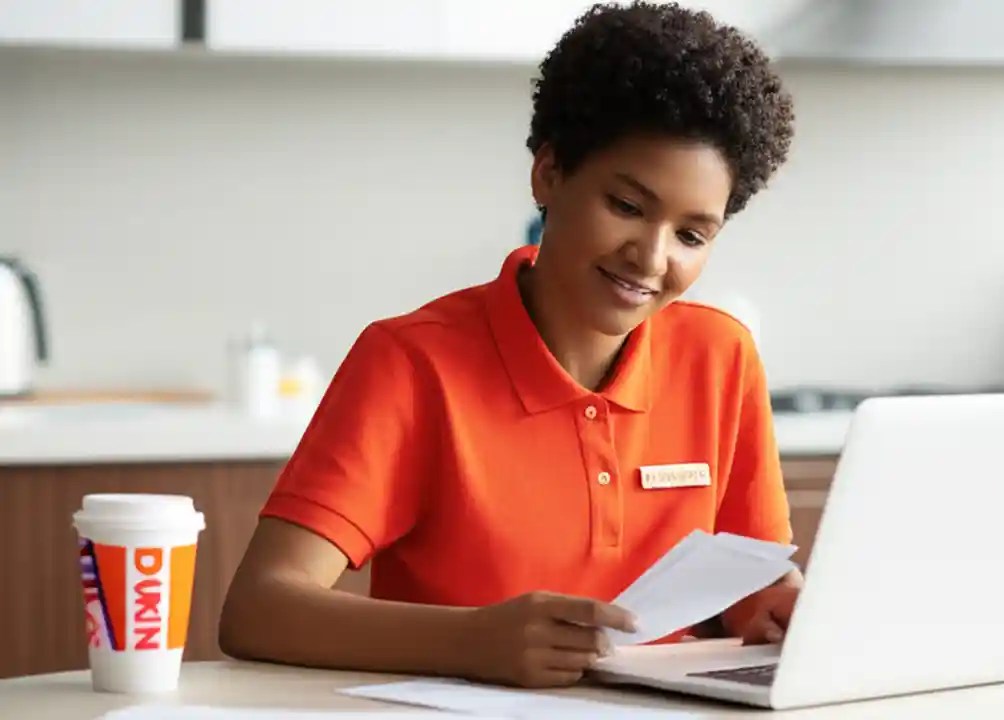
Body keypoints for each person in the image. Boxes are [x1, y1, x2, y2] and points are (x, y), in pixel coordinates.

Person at [219, 1, 798, 689]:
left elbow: (750, 581)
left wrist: (774, 607)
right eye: (627, 207)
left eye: (691, 236)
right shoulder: (412, 364)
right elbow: (259, 608)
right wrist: (471, 639)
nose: (651, 256)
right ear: (548, 174)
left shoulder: (720, 357)